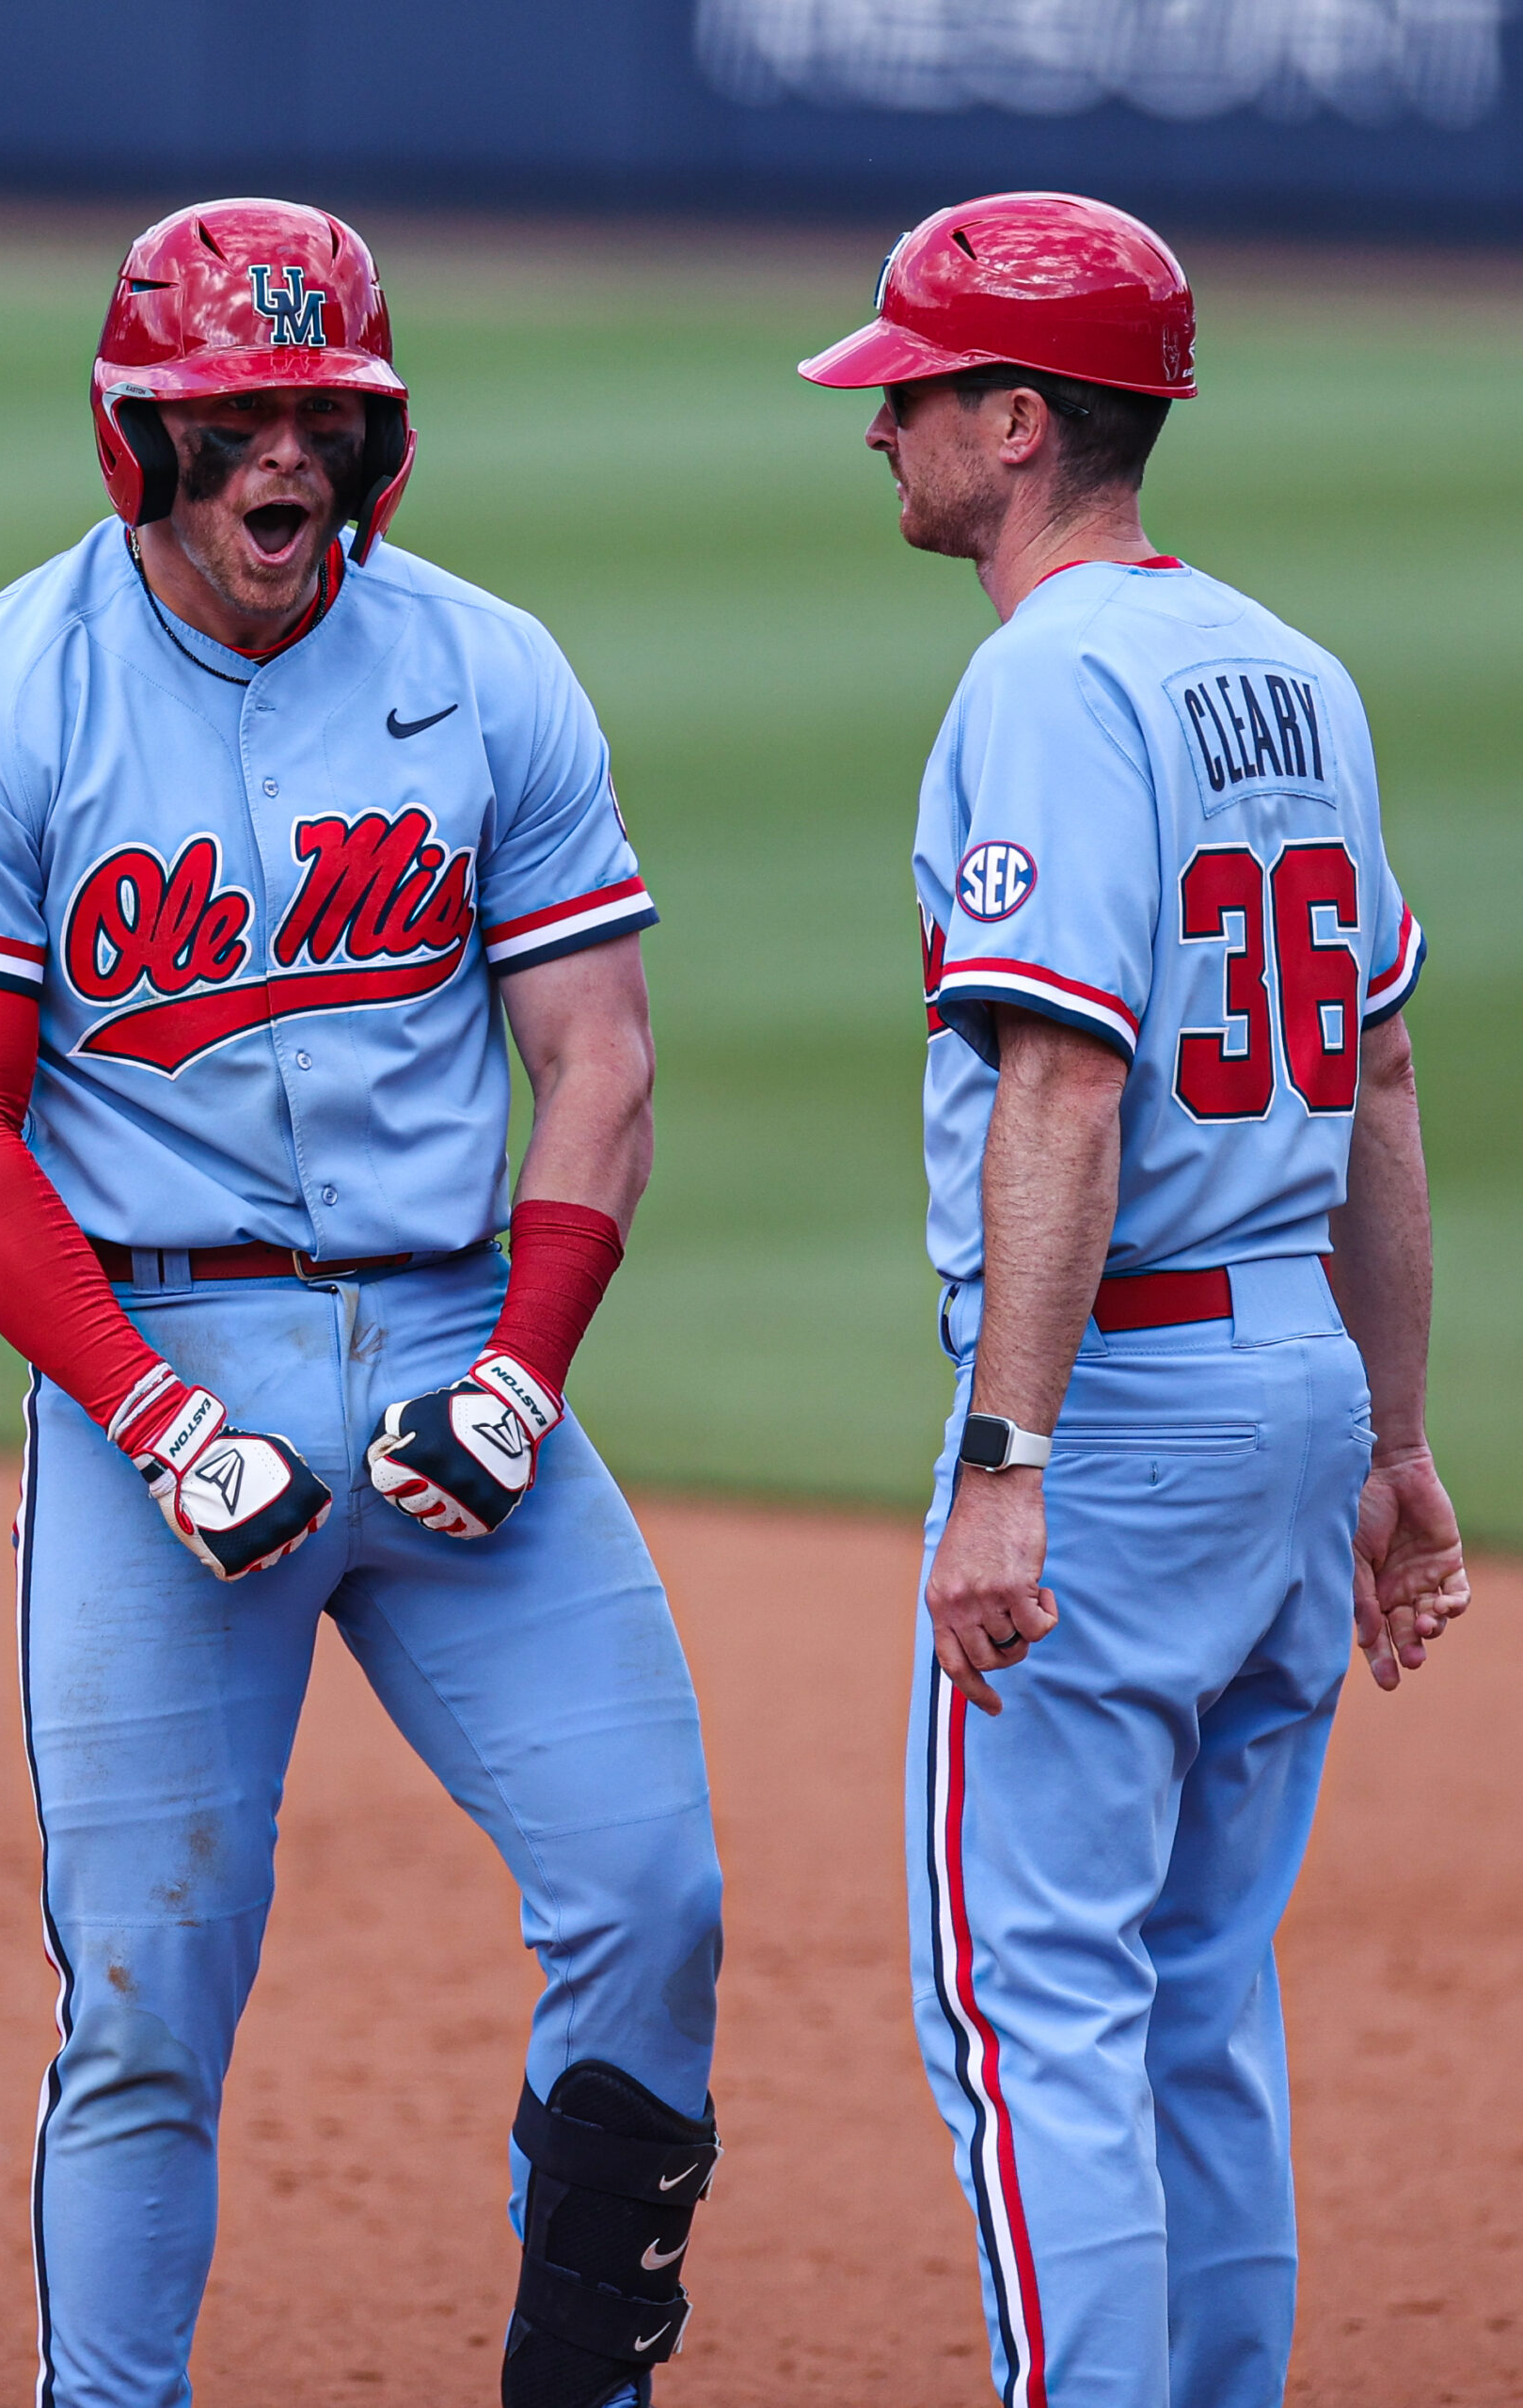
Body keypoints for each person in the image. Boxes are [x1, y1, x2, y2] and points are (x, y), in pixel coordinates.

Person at [0, 198, 722, 2408]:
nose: (287, 456)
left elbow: (598, 1058)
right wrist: (153, 1420)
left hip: (450, 1356)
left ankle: (577, 2383)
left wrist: (521, 1374)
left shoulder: (487, 669)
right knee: (146, 2007)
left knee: (653, 1896)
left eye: (327, 411)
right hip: (156, 1371)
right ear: (139, 436)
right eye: (235, 415)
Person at [799, 190, 1468, 2408]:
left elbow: (1064, 1083)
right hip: (1289, 1386)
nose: (874, 423)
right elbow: (1376, 1071)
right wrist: (1390, 1435)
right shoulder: (1292, 667)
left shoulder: (1046, 680)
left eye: (908, 388)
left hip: (1124, 1408)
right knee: (1199, 1987)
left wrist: (1007, 1457)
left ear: (1016, 422)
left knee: (1035, 2007)